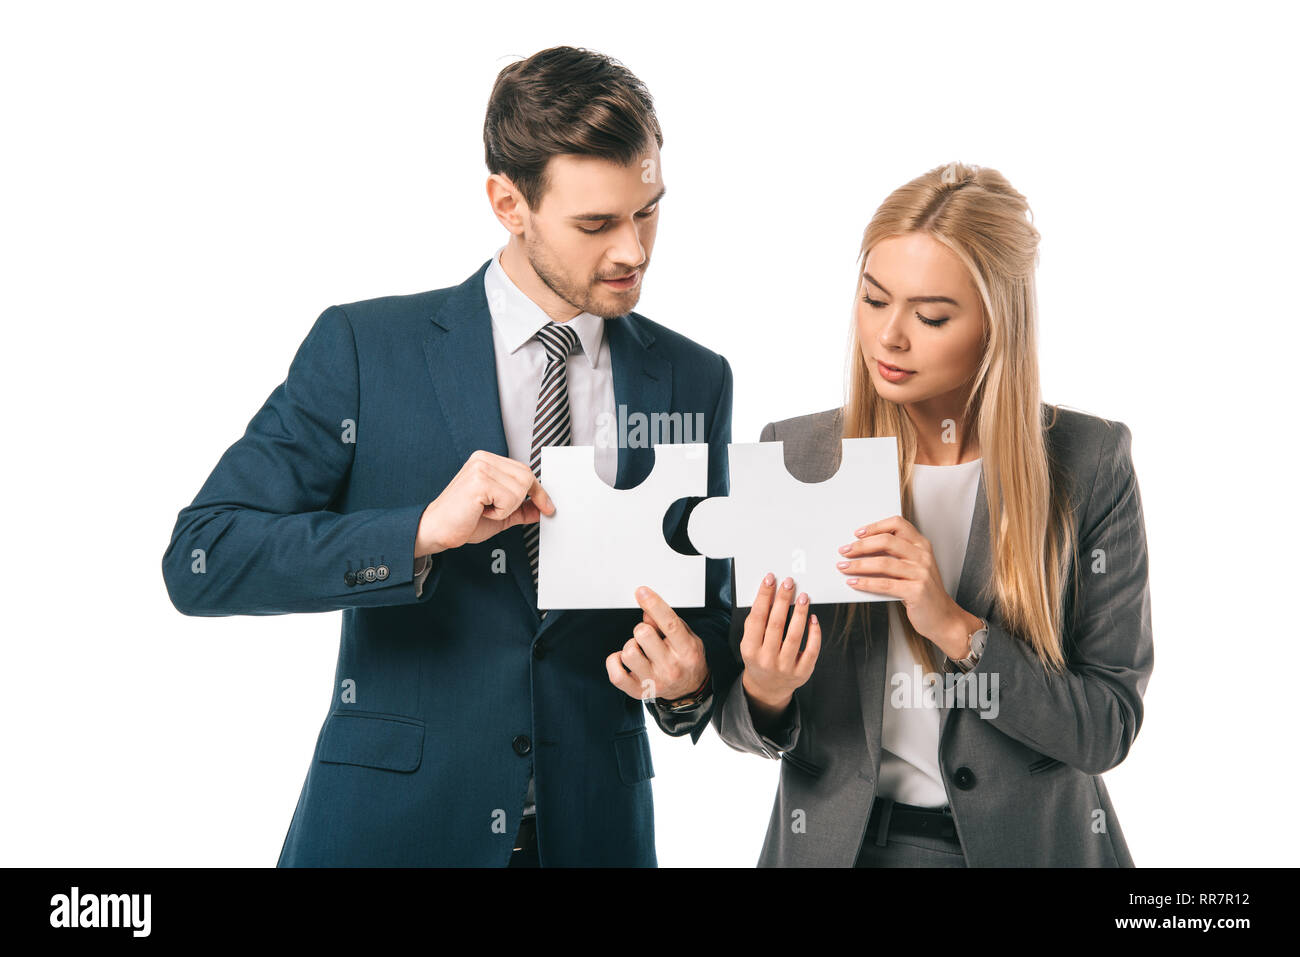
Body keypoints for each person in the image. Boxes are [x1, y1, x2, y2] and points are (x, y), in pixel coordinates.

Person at [161, 46, 736, 867]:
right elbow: (201, 556)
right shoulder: (366, 349)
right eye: (596, 223)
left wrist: (689, 678)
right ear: (509, 202)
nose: (633, 251)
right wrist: (419, 532)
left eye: (647, 211)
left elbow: (711, 610)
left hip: (594, 836)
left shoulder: (693, 376)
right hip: (391, 832)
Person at [712, 161, 1153, 867]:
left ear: (996, 325)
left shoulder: (1088, 461)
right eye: (874, 299)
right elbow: (739, 722)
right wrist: (765, 689)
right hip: (842, 849)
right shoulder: (794, 452)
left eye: (932, 315)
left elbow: (1105, 728)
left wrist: (954, 626)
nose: (889, 336)